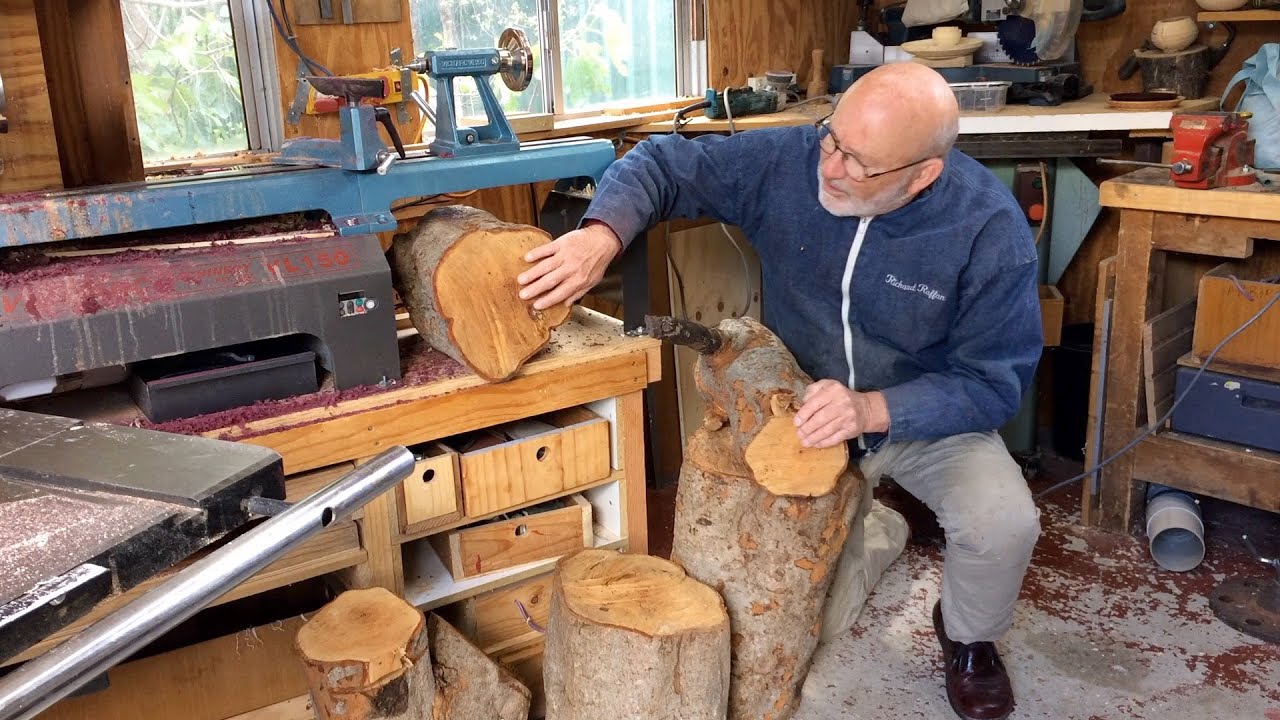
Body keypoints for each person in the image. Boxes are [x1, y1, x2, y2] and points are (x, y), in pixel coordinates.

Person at [516, 62, 1042, 720]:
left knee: (1003, 522)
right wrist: (601, 235)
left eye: (859, 163)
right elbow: (663, 162)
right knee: (793, 624)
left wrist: (873, 409)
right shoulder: (792, 160)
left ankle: (969, 638)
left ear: (923, 175)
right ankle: (875, 530)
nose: (831, 167)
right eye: (832, 138)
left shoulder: (989, 231)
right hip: (795, 406)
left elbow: (995, 384)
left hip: (919, 416)